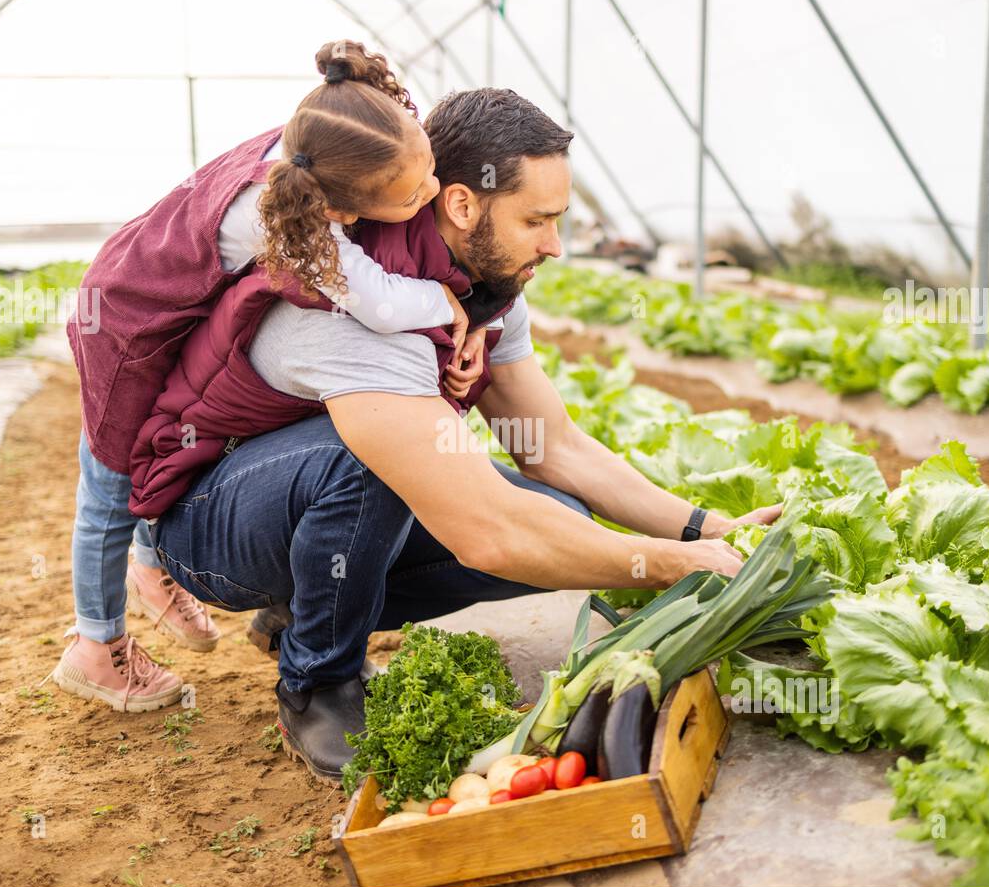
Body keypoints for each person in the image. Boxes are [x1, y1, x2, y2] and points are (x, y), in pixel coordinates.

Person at [146, 87, 781, 781]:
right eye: (537, 220)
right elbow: (486, 529)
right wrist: (662, 565)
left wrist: (701, 531)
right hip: (210, 523)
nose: (557, 246)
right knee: (371, 470)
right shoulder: (359, 307)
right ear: (461, 204)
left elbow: (550, 446)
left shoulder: (485, 285)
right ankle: (317, 684)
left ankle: (305, 606)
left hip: (300, 496)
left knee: (564, 519)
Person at [55, 41, 483, 713]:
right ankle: (96, 647)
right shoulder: (288, 219)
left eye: (428, 170)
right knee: (109, 477)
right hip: (121, 321)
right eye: (413, 195)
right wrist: (449, 302)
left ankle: (150, 567)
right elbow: (372, 298)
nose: (430, 190)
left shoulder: (345, 133)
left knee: (163, 435)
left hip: (170, 299)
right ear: (341, 212)